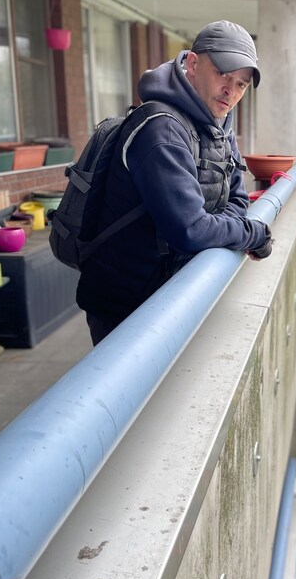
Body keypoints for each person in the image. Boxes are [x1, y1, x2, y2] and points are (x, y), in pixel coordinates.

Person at [76, 20, 273, 345]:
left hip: (170, 292)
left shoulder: (219, 126)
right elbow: (189, 230)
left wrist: (225, 228)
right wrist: (251, 235)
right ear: (193, 64)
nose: (231, 91)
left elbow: (236, 200)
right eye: (223, 74)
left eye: (240, 84)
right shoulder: (161, 130)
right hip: (127, 304)